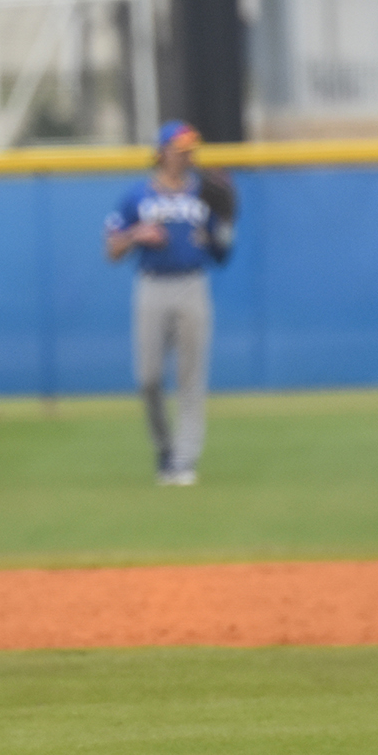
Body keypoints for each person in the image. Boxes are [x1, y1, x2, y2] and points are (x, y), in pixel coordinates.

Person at [104, 121, 224, 486]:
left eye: (191, 150)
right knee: (148, 378)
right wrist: (136, 234)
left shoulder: (204, 194)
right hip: (152, 286)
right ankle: (164, 449)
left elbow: (221, 249)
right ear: (162, 153)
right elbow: (112, 250)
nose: (188, 155)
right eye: (180, 149)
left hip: (192, 284)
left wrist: (221, 229)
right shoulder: (136, 196)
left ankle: (184, 460)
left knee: (191, 378)